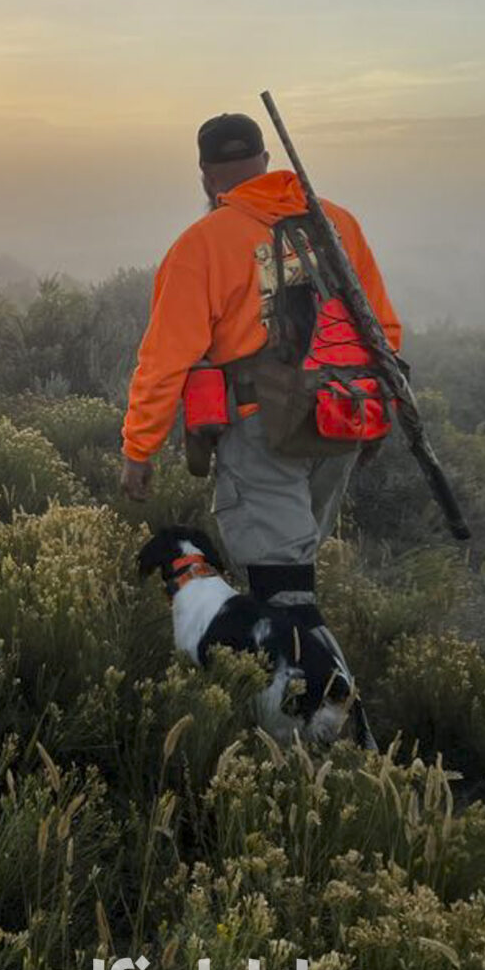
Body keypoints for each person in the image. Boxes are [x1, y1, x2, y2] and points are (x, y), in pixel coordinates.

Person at [119, 111, 402, 613]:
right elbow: (381, 329)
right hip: (342, 416)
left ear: (206, 175)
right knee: (299, 563)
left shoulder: (201, 245)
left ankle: (294, 684)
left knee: (280, 590)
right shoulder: (337, 222)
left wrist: (138, 448)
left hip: (262, 428)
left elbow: (165, 360)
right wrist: (384, 412)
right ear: (267, 162)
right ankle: (306, 674)